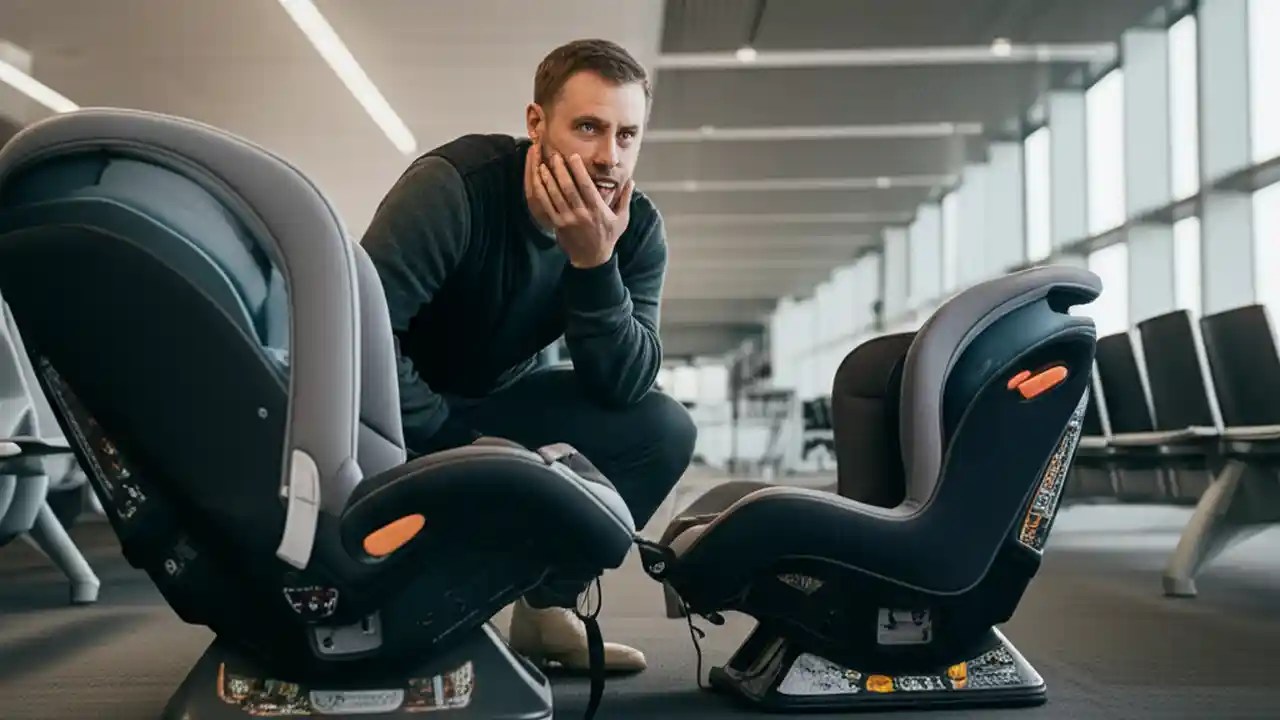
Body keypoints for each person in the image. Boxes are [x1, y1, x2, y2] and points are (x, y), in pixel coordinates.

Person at [360, 38, 697, 675]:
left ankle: (545, 610)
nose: (609, 156)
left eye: (627, 135)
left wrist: (594, 264)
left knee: (663, 429)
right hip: (391, 414)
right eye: (589, 127)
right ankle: (427, 601)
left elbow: (625, 384)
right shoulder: (454, 189)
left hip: (495, 405)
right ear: (536, 123)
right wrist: (453, 438)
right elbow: (361, 337)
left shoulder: (636, 230)